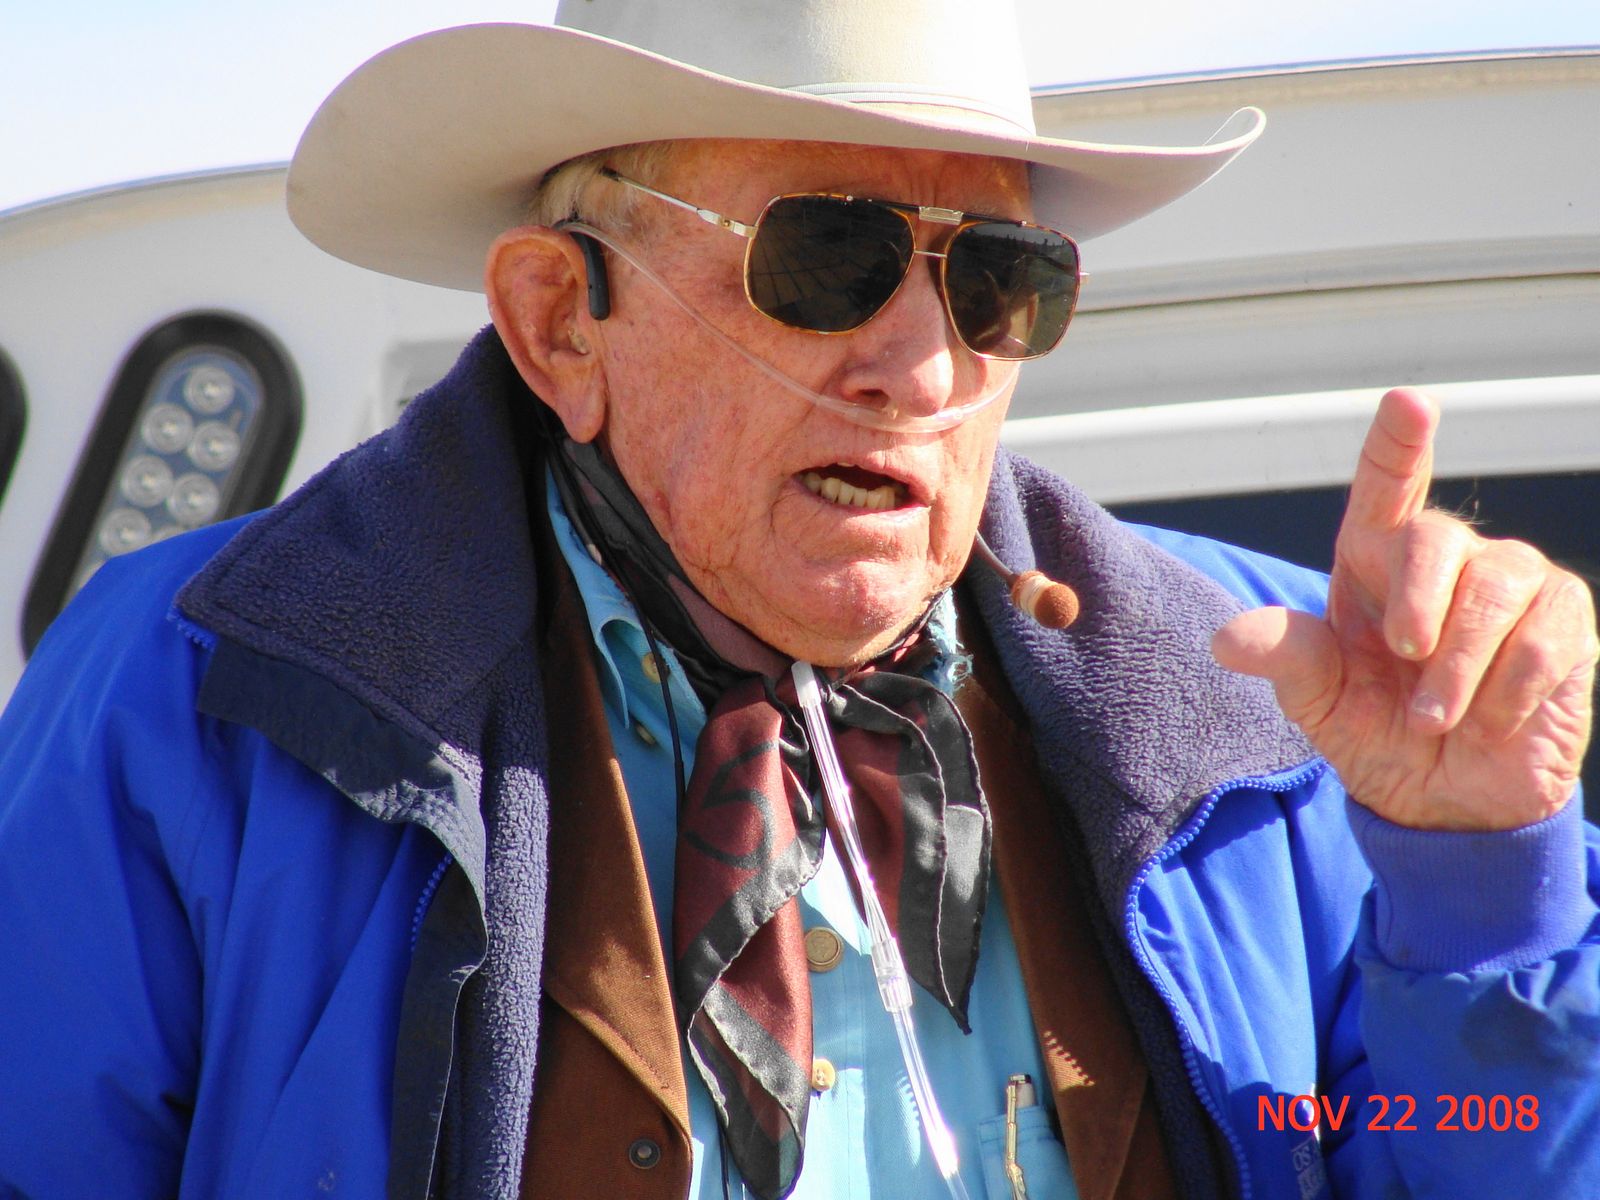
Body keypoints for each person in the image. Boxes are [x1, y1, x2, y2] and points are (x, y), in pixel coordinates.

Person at [2, 2, 1596, 1198]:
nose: (923, 366)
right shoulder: (186, 697)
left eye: (998, 281)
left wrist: (1480, 883)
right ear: (561, 321)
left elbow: (1470, 1150)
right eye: (828, 259)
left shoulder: (1279, 712)